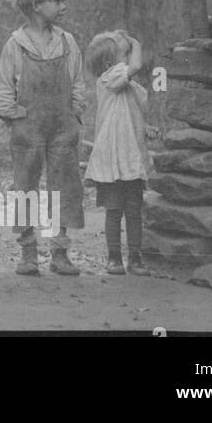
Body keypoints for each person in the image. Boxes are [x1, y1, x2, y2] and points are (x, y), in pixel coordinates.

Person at [0, 0, 86, 276]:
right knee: (25, 186)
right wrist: (12, 114)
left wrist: (75, 113)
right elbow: (4, 87)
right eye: (56, 1)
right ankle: (28, 250)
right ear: (36, 6)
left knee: (65, 187)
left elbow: (78, 85)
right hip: (27, 128)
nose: (63, 6)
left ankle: (59, 251)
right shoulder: (15, 46)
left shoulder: (67, 43)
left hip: (62, 128)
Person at [84, 30, 152, 276]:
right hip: (112, 160)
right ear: (109, 64)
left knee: (134, 210)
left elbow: (131, 115)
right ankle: (114, 258)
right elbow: (137, 65)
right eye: (125, 52)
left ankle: (135, 257)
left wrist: (147, 128)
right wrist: (137, 43)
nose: (131, 54)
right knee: (114, 210)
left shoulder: (128, 86)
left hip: (129, 160)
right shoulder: (108, 79)